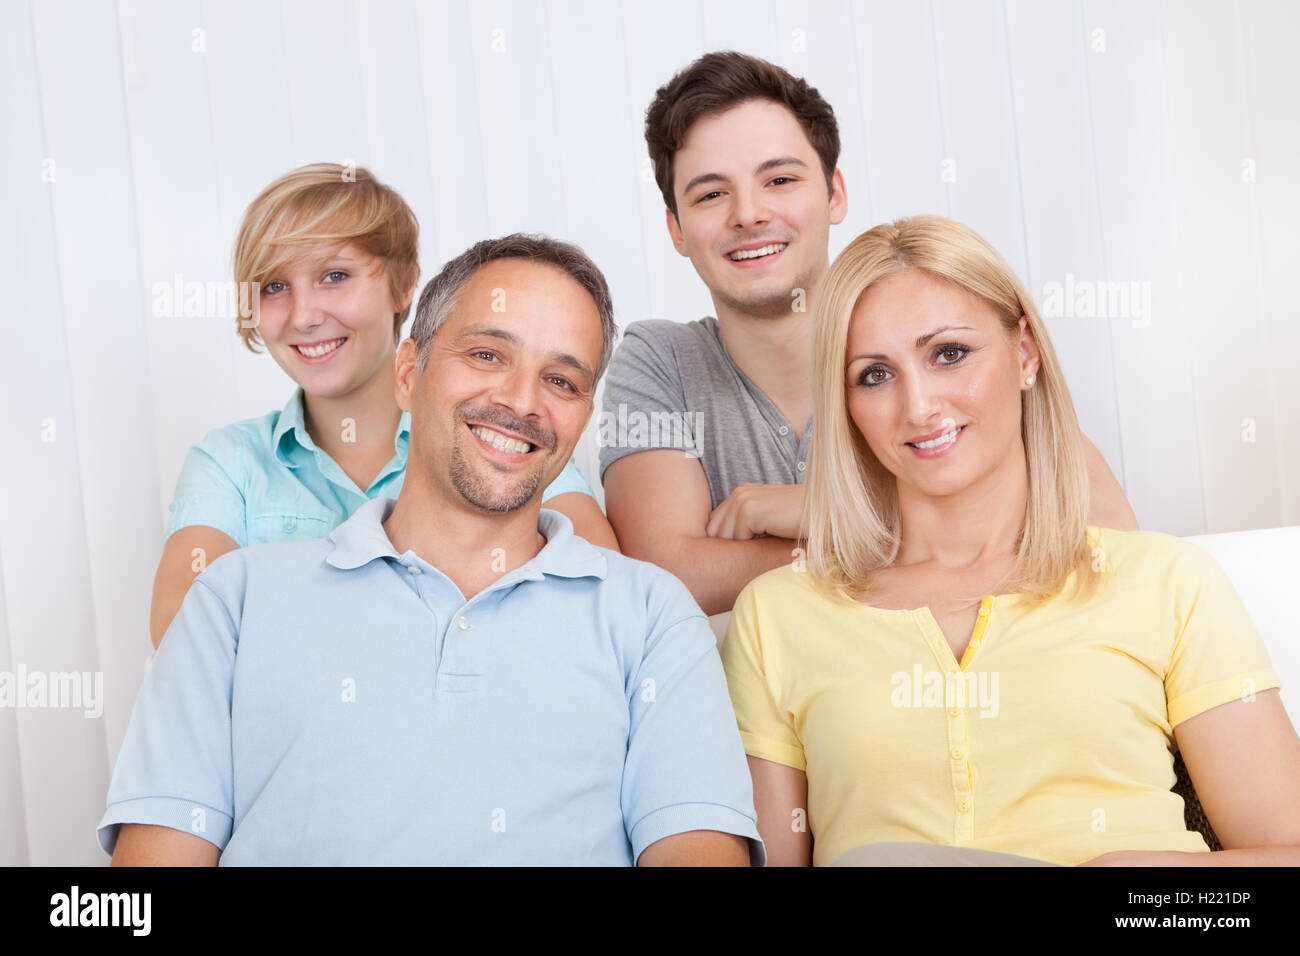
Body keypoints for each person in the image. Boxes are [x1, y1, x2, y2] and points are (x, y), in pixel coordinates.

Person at [99, 234, 764, 866]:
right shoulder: (234, 600)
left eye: (561, 380)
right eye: (487, 355)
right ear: (409, 372)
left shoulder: (650, 615)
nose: (520, 401)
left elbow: (694, 848)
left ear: (583, 416)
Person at [720, 215, 1300, 866]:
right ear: (846, 404)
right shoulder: (777, 617)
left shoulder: (1168, 581)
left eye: (949, 354)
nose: (919, 406)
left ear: (1025, 353)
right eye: (875, 375)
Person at [600, 52, 1136, 616]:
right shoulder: (660, 360)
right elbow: (666, 579)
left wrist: (823, 511)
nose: (749, 214)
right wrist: (895, 533)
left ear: (835, 194)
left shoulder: (932, 329)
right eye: (711, 194)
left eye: (780, 179)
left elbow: (1112, 544)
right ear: (676, 230)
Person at [149, 164, 618, 648]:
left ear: (403, 285)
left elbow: (604, 610)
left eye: (334, 276)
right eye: (274, 287)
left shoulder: (506, 438)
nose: (304, 316)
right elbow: (186, 642)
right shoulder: (229, 463)